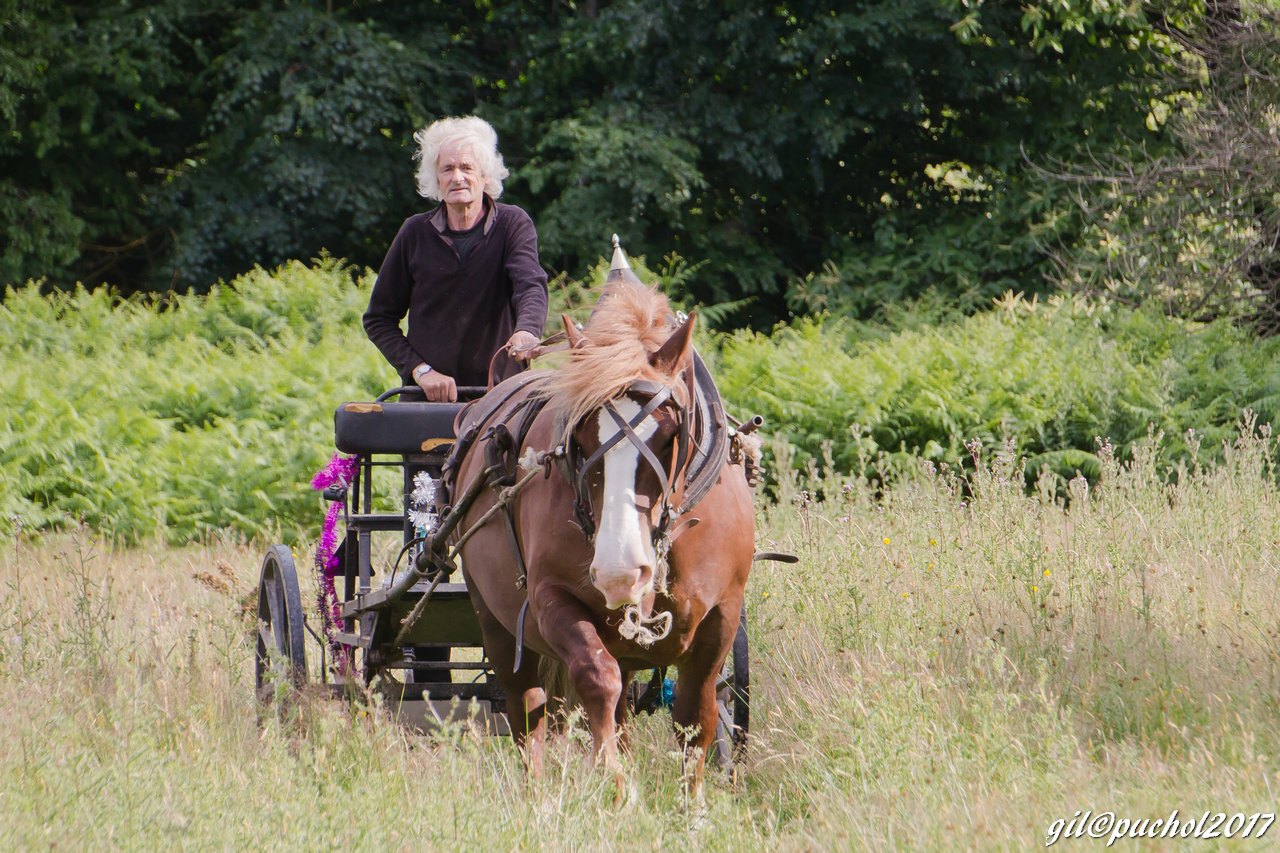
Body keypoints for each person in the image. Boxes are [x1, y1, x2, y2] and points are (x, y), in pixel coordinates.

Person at [364, 115, 548, 401]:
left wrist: (527, 331)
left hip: (502, 401)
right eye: (447, 168)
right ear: (436, 179)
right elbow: (379, 318)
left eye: (466, 167)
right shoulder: (414, 233)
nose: (457, 177)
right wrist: (420, 371)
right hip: (428, 406)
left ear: (485, 176)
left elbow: (530, 286)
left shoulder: (513, 224)